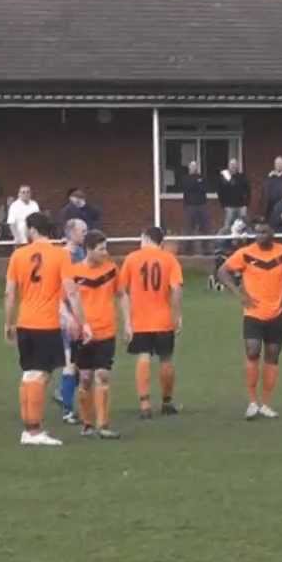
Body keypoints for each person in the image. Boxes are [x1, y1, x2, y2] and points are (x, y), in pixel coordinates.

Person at [4, 212, 86, 447]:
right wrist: (81, 321)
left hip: (25, 322)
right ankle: (33, 430)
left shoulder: (18, 255)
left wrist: (8, 323)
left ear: (32, 230)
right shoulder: (60, 254)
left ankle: (29, 428)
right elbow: (71, 291)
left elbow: (10, 293)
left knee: (30, 373)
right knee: (40, 375)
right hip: (46, 323)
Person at [217, 224, 282, 419]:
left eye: (264, 232)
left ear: (272, 234)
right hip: (253, 313)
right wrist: (239, 294)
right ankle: (252, 402)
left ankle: (266, 403)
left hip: (276, 313)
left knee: (272, 356)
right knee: (252, 351)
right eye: (257, 232)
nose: (260, 235)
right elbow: (222, 272)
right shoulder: (245, 253)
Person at [119, 226, 185, 419]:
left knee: (143, 356)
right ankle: (167, 402)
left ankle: (145, 404)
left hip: (139, 319)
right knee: (166, 358)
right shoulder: (169, 259)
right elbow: (176, 289)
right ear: (161, 242)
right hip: (163, 318)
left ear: (146, 238)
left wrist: (127, 321)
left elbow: (122, 291)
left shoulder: (132, 258)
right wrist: (177, 315)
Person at [68, 229, 122, 439]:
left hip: (106, 331)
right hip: (83, 335)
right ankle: (87, 423)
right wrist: (73, 322)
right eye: (101, 249)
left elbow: (121, 294)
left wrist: (128, 322)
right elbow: (64, 301)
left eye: (105, 248)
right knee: (85, 378)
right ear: (88, 250)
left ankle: (103, 425)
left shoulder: (111, 269)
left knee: (102, 375)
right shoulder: (74, 272)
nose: (105, 252)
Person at [54, 218, 90, 421]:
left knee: (80, 362)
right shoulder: (63, 255)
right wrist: (66, 315)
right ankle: (67, 411)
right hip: (67, 314)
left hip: (81, 312)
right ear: (71, 233)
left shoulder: (82, 254)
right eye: (82, 231)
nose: (85, 234)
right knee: (70, 362)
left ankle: (62, 392)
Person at [181, 162, 211, 255]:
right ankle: (188, 250)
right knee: (189, 228)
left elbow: (205, 188)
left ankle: (206, 250)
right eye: (192, 166)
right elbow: (187, 187)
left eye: (195, 166)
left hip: (202, 205)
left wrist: (197, 184)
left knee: (205, 228)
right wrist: (197, 183)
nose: (193, 168)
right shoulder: (185, 178)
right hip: (190, 206)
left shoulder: (202, 177)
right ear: (189, 168)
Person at [215, 159, 250, 231]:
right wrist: (223, 204)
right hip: (229, 207)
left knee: (243, 227)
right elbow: (220, 191)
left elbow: (248, 190)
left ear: (237, 166)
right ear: (229, 166)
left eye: (235, 165)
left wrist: (246, 204)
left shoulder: (242, 177)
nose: (233, 166)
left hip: (241, 206)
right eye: (231, 165)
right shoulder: (224, 177)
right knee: (227, 227)